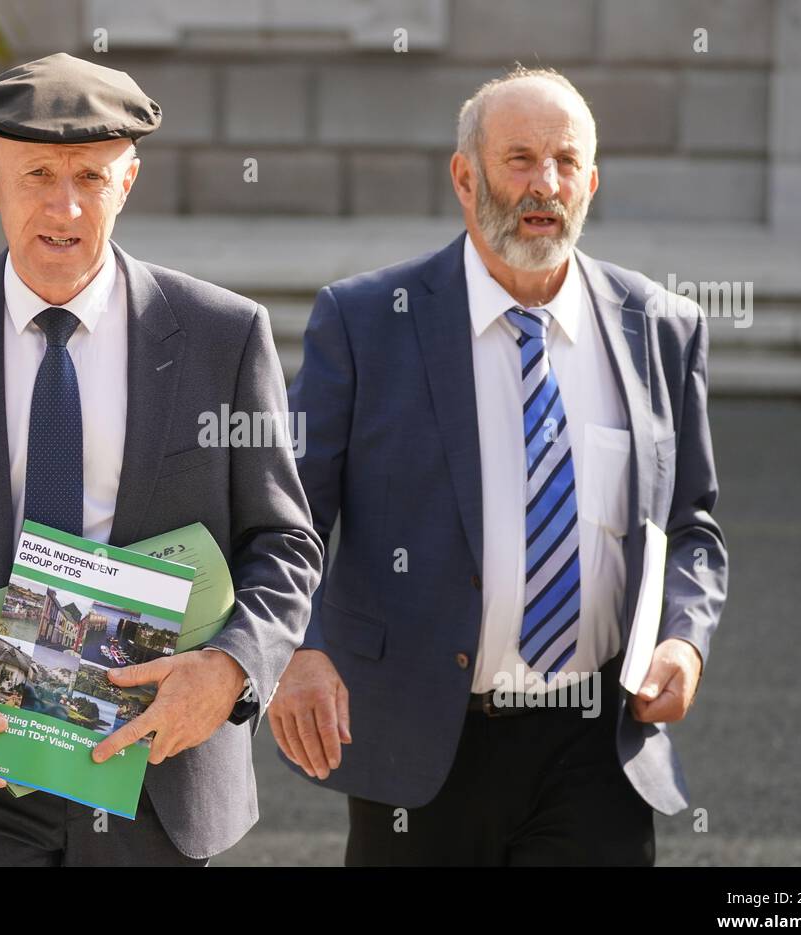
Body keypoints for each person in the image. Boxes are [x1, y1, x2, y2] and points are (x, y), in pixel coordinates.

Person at [0, 53, 322, 866]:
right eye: (36, 177)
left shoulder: (223, 336)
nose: (64, 207)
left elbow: (285, 544)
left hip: (156, 773)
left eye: (91, 178)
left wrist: (233, 671)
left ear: (127, 183)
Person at [273, 65, 728, 865]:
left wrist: (684, 639)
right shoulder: (368, 322)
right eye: (518, 158)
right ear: (464, 174)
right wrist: (300, 647)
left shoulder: (661, 327)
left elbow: (692, 527)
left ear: (592, 179)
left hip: (597, 749)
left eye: (563, 162)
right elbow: (289, 518)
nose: (542, 184)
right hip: (423, 745)